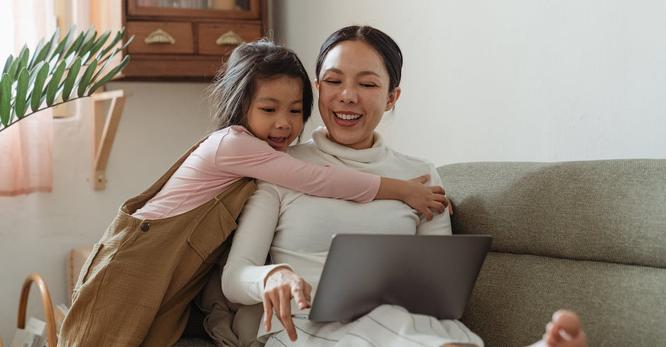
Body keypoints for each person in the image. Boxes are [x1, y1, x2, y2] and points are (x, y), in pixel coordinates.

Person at [58, 40, 449, 347]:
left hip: (181, 262)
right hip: (143, 254)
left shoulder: (260, 152)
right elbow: (319, 179)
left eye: (295, 111)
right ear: (241, 106)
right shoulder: (236, 145)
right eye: (269, 109)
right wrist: (398, 190)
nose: (283, 124)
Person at [221, 26, 588, 347]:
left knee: (421, 327)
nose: (347, 95)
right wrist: (271, 276)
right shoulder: (281, 166)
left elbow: (439, 287)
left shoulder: (420, 176)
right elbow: (236, 275)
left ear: (392, 96)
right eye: (334, 81)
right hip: (309, 326)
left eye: (366, 84)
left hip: (407, 323)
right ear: (317, 90)